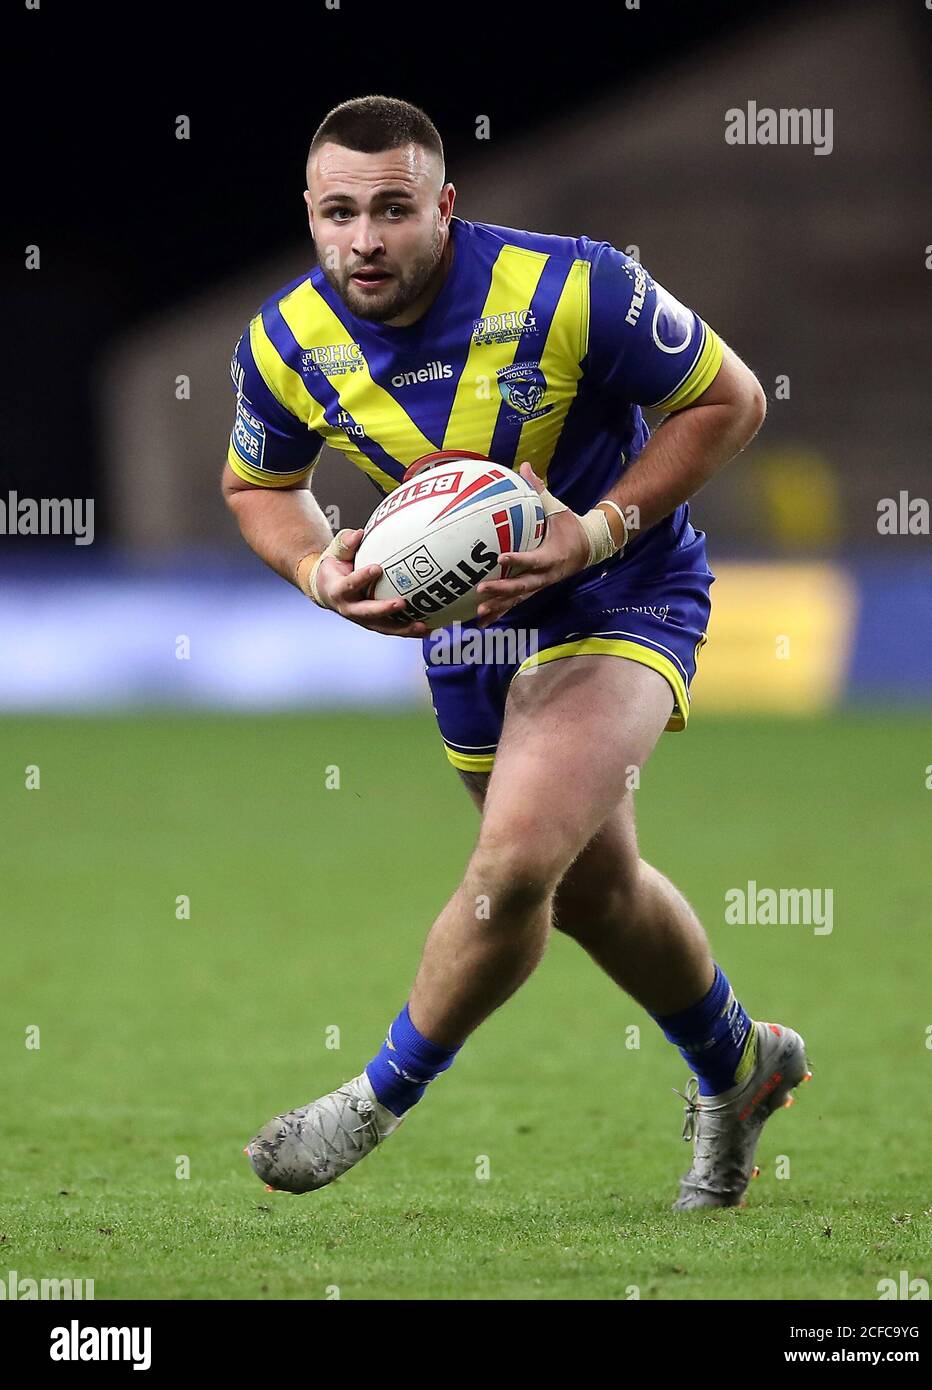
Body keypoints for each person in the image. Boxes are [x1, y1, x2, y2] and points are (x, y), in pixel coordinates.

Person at [224, 95, 810, 1210]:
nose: (364, 240)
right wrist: (317, 570)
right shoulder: (284, 340)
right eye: (338, 213)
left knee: (513, 870)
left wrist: (593, 529)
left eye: (392, 209)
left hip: (622, 590)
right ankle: (739, 1067)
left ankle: (370, 1099)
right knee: (595, 891)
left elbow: (729, 400)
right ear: (309, 216)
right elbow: (259, 484)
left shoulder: (571, 286)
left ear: (443, 206)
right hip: (468, 640)